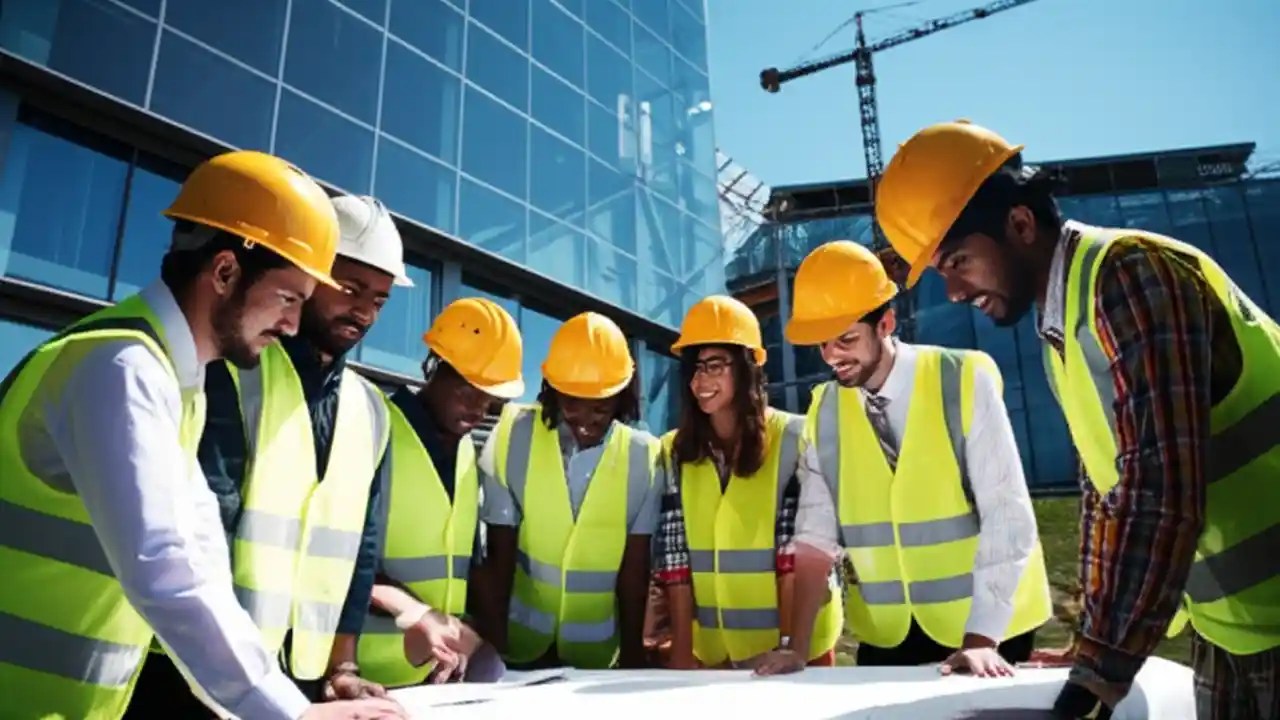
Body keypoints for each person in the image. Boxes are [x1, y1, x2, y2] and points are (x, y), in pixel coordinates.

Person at [873, 118, 1280, 719]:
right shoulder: (1064, 326)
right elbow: (1105, 499)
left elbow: (1159, 491)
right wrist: (1091, 641)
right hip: (1231, 630)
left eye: (958, 261)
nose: (954, 292)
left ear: (1019, 224)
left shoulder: (1132, 275)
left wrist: (1099, 676)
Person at [0, 150, 404, 719]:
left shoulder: (173, 378)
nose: (291, 324)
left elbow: (201, 556)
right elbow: (166, 570)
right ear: (224, 272)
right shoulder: (122, 368)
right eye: (289, 297)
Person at [754, 240, 1052, 679]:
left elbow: (1007, 515)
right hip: (889, 636)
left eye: (846, 339)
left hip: (987, 627)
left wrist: (982, 640)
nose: (833, 355)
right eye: (822, 344)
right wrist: (795, 647)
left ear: (886, 323)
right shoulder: (826, 410)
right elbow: (814, 538)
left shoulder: (963, 379)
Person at [190, 194, 415, 707]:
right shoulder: (229, 371)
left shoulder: (372, 410)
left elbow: (360, 550)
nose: (363, 312)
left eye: (379, 300)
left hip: (303, 678)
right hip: (207, 672)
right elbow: (202, 539)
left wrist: (343, 667)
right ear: (306, 275)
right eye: (351, 288)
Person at [654, 295, 844, 671]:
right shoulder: (674, 450)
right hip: (712, 650)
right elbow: (675, 559)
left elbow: (796, 551)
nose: (700, 380)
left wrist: (789, 648)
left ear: (747, 368)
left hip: (796, 647)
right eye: (694, 368)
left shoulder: (795, 437)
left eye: (714, 366)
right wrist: (681, 650)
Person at [476, 311, 661, 670]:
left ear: (622, 398)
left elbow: (634, 570)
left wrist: (634, 658)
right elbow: (499, 556)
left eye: (600, 408)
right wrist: (493, 649)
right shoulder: (512, 433)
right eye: (572, 403)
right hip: (520, 646)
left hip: (597, 655)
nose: (584, 421)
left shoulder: (645, 455)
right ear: (553, 390)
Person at [358, 297, 525, 687]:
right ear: (433, 366)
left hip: (438, 678)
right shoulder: (377, 429)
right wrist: (416, 613)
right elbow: (337, 558)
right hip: (367, 673)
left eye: (490, 401)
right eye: (469, 392)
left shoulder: (468, 452)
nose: (478, 410)